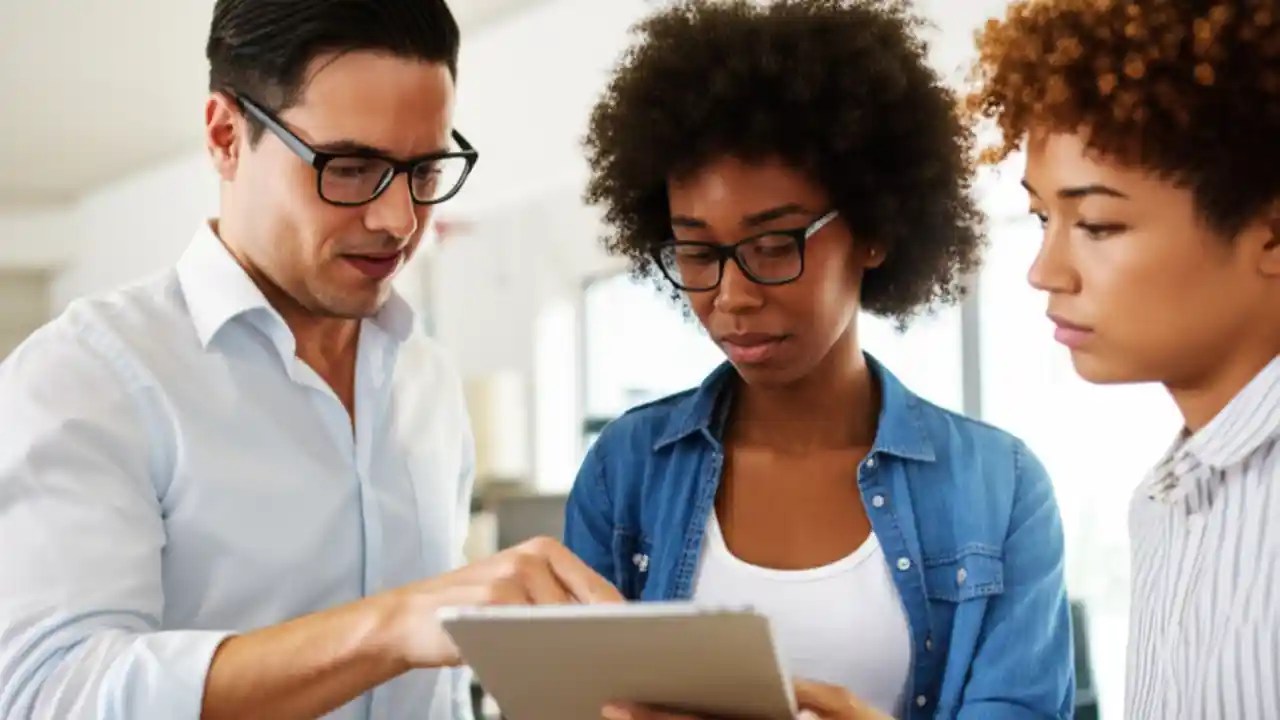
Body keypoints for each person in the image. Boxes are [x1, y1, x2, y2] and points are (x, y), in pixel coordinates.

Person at [0, 1, 621, 719]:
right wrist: (394, 625)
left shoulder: (427, 381)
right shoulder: (86, 377)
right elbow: (50, 694)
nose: (397, 221)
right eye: (351, 168)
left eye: (423, 171)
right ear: (226, 135)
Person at [564, 1, 1075, 718]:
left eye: (774, 245)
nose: (732, 295)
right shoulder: (627, 470)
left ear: (872, 232)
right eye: (698, 251)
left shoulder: (1000, 489)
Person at [967, 1, 1280, 717]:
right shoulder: (1173, 499)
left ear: (1271, 232)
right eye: (1045, 219)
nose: (1045, 271)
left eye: (1099, 225)